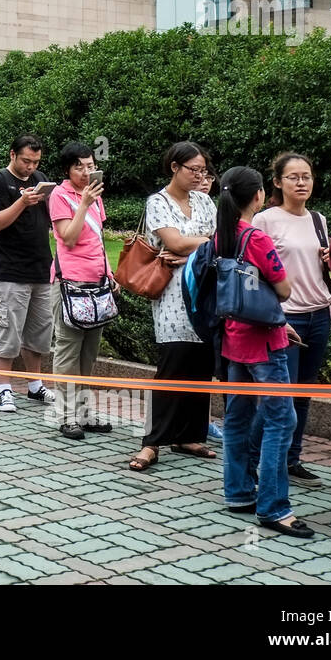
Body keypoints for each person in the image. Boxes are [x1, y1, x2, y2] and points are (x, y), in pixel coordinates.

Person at [212, 166, 312, 538]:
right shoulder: (255, 238)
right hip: (264, 343)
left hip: (233, 338)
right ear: (257, 196)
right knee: (280, 420)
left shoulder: (220, 237)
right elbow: (283, 289)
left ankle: (238, 493)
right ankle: (274, 507)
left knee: (237, 416)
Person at [251, 152, 331, 488]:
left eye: (307, 176)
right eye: (293, 177)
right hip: (286, 319)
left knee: (302, 395)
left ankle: (292, 460)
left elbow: (322, 271)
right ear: (277, 182)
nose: (302, 183)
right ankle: (251, 458)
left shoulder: (318, 220)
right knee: (279, 398)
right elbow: (255, 276)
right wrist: (273, 317)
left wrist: (330, 261)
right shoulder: (266, 220)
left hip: (317, 314)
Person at [130, 142, 218, 472]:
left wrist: (190, 251)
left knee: (199, 366)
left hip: (203, 293)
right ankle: (151, 442)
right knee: (172, 364)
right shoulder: (158, 202)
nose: (199, 175)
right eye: (193, 169)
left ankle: (188, 435)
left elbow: (218, 241)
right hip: (171, 296)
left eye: (203, 170)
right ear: (174, 168)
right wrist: (198, 245)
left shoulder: (205, 200)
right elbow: (176, 242)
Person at [0, 135, 58, 412]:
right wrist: (22, 202)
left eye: (35, 161)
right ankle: (4, 388)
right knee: (9, 329)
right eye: (26, 160)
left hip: (40, 266)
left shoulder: (40, 178)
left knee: (39, 331)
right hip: (11, 268)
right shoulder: (0, 181)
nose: (30, 167)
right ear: (12, 154)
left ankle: (35, 385)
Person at [49, 142, 115, 438]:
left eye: (90, 165)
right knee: (67, 352)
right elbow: (69, 238)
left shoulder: (95, 196)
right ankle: (65, 416)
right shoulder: (59, 196)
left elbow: (97, 238)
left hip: (97, 284)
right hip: (69, 285)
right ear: (67, 169)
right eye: (80, 167)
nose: (87, 172)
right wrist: (85, 203)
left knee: (89, 354)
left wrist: (108, 272)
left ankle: (85, 414)